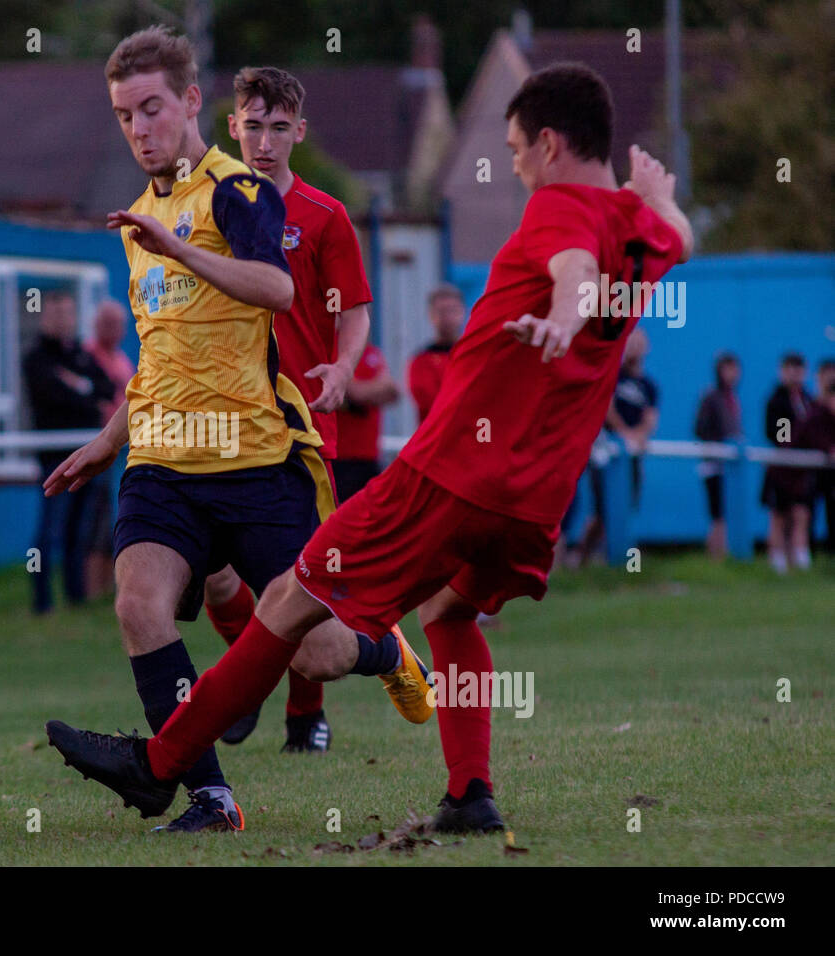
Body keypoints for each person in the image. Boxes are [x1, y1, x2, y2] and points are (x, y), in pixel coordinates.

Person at [47, 62, 694, 835]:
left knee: (288, 611)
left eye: (517, 150)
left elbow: (574, 267)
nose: (516, 167)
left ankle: (160, 766)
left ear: (551, 145)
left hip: (450, 474)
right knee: (450, 612)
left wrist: (562, 314)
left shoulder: (561, 211)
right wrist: (661, 200)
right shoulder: (641, 225)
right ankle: (470, 794)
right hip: (536, 498)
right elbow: (676, 241)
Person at [41, 26, 431, 833]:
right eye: (123, 116)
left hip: (254, 458)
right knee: (139, 606)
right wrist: (107, 442)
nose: (139, 129)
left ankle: (386, 650)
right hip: (161, 461)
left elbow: (276, 289)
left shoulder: (239, 194)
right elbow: (161, 354)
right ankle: (211, 798)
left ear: (190, 103)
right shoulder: (138, 218)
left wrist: (179, 251)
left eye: (152, 108)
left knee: (315, 651)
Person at [200, 65, 374, 755]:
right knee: (214, 577)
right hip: (218, 420)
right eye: (253, 126)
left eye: (279, 128)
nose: (264, 141)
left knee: (295, 582)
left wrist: (342, 364)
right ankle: (246, 685)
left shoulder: (325, 217)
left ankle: (305, 716)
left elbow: (355, 308)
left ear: (299, 133)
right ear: (233, 129)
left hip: (299, 428)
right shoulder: (205, 208)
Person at [23, 289, 114, 613]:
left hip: (87, 455)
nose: (63, 321)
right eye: (57, 314)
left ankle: (77, 599)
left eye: (68, 314)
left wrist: (78, 385)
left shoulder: (80, 354)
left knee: (81, 530)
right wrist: (82, 391)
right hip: (53, 457)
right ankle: (42, 602)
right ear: (45, 317)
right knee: (50, 530)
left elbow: (106, 387)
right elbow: (52, 397)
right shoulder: (36, 357)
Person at [571, 327, 659, 563]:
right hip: (606, 453)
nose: (636, 348)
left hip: (632, 457)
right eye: (632, 342)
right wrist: (624, 434)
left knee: (626, 507)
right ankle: (581, 557)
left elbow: (651, 418)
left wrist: (637, 436)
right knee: (601, 512)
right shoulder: (612, 375)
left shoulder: (649, 385)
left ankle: (614, 560)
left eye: (641, 343)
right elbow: (606, 408)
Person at [83, 300, 137, 597]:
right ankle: (91, 592)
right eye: (107, 324)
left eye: (118, 325)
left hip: (123, 450)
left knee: (113, 517)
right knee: (97, 518)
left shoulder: (121, 359)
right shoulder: (89, 357)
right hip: (99, 446)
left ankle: (108, 590)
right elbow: (96, 397)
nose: (114, 330)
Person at [761, 353, 815, 572]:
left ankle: (799, 556)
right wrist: (792, 442)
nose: (794, 375)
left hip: (802, 468)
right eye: (790, 369)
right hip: (782, 467)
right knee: (779, 514)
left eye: (798, 370)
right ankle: (777, 557)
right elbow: (779, 434)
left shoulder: (808, 400)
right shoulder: (777, 400)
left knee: (801, 512)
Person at [692, 353, 743, 559]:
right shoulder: (711, 396)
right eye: (728, 369)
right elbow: (699, 428)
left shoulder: (732, 398)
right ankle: (715, 556)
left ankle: (721, 555)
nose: (732, 374)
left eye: (735, 369)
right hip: (713, 464)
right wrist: (720, 443)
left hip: (728, 464)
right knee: (718, 514)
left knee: (725, 512)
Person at [335, 343, 401, 501]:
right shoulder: (333, 348)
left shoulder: (372, 352)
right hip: (340, 459)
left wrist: (357, 394)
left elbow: (393, 391)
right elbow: (348, 390)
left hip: (370, 457)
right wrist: (372, 392)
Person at [408, 284, 465, 425]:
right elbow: (434, 403)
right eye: (442, 311)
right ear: (431, 315)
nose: (448, 317)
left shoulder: (475, 357)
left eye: (453, 310)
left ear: (463, 312)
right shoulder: (420, 362)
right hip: (436, 442)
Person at [800, 361, 835, 553]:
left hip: (828, 469)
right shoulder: (804, 402)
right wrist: (786, 444)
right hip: (803, 468)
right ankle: (805, 550)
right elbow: (784, 428)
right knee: (803, 511)